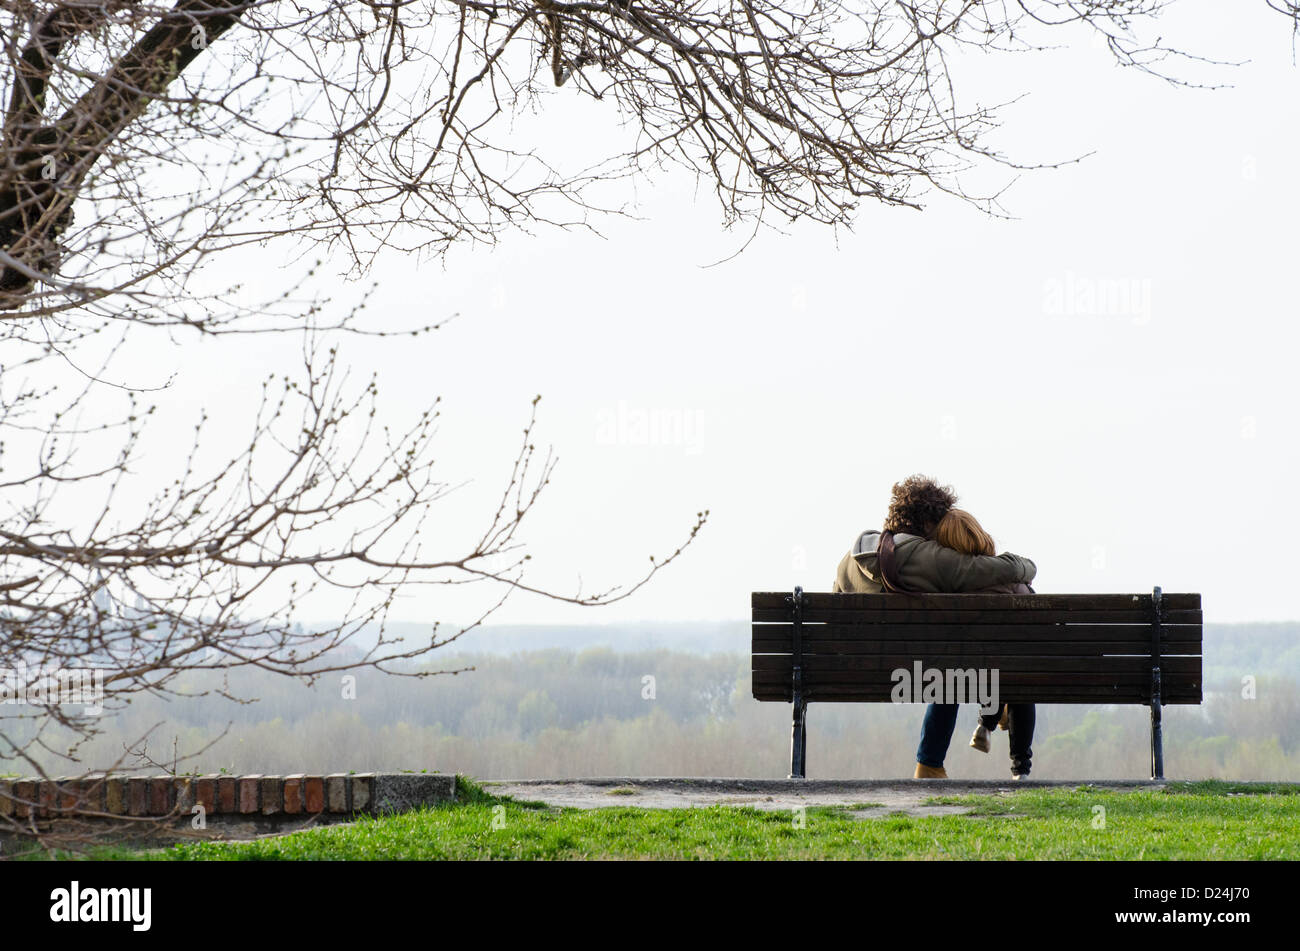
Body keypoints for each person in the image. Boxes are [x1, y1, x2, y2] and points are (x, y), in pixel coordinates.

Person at [832, 475, 1037, 779]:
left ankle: (944, 751)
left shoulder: (851, 557)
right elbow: (994, 569)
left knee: (944, 660)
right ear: (928, 521)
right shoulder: (928, 557)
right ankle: (930, 762)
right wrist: (1026, 567)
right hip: (917, 674)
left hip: (852, 669)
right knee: (949, 667)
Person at [933, 507, 1037, 780]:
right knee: (1017, 676)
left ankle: (986, 722)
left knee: (994, 665)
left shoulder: (950, 585)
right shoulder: (1011, 577)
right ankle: (1020, 769)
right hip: (1015, 671)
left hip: (968, 674)